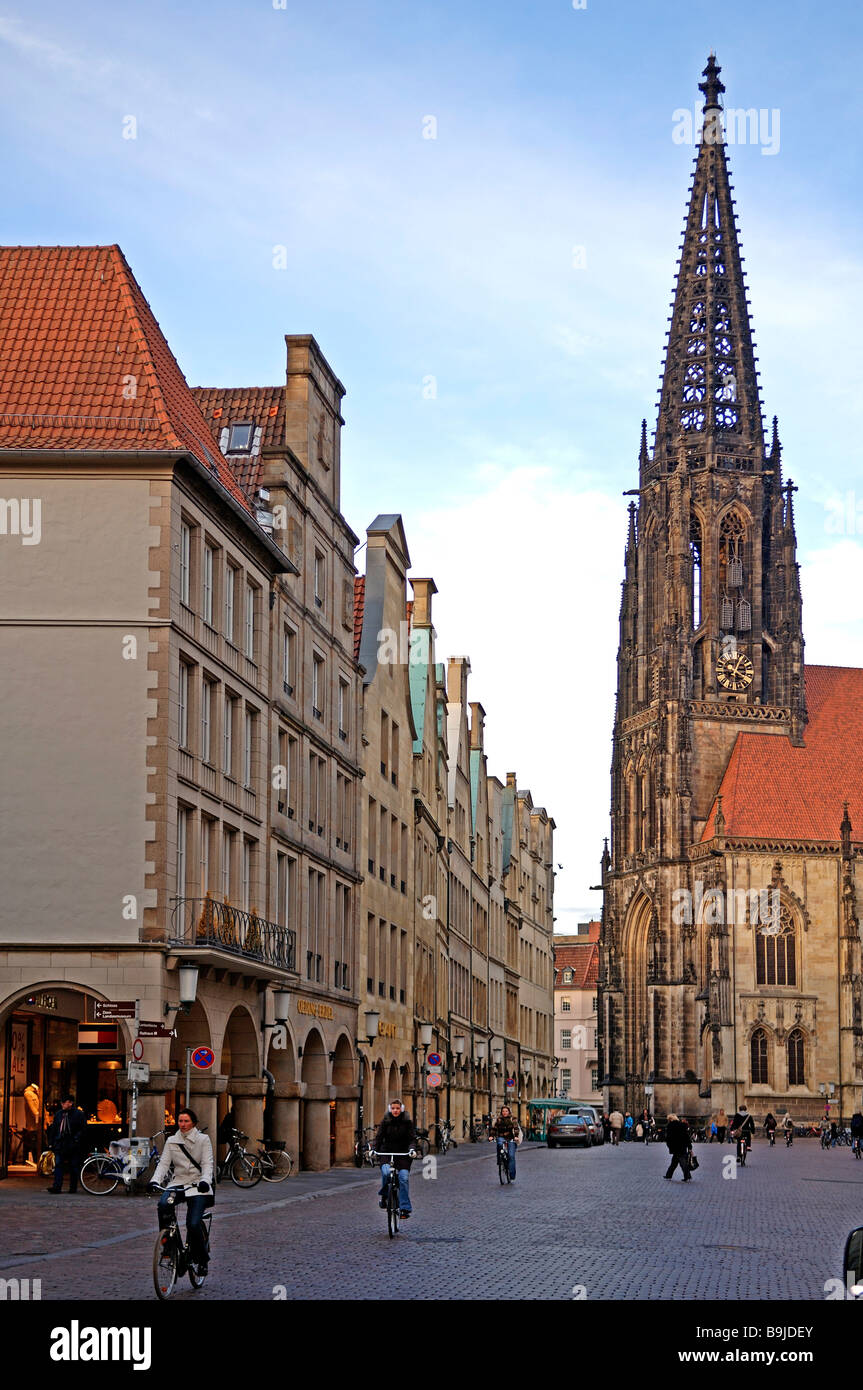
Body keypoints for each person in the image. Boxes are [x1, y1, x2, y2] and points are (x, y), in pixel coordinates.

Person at [149, 1107, 214, 1270]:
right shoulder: (171, 1140)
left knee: (192, 1224)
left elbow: (207, 1164)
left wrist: (206, 1180)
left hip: (198, 1185)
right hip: (178, 1183)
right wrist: (155, 1180)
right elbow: (164, 1164)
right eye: (180, 1121)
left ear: (193, 1123)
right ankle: (169, 1247)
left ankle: (202, 1258)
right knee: (163, 1205)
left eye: (186, 1121)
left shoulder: (203, 1139)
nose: (183, 1124)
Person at [374, 1099, 417, 1218]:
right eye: (393, 1108)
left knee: (403, 1178)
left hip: (403, 1155)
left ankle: (404, 1208)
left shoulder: (407, 1122)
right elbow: (379, 1137)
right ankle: (384, 1196)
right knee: (386, 1173)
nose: (395, 1110)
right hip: (387, 1153)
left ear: (401, 1109)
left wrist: (412, 1149)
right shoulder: (385, 1121)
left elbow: (412, 1139)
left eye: (397, 1108)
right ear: (390, 1109)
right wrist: (373, 1149)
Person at [46, 1095, 87, 1193]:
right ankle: (57, 1187)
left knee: (73, 1166)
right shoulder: (59, 1114)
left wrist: (76, 1139)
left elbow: (83, 1129)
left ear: (71, 1103)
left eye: (65, 1102)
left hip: (72, 1143)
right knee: (58, 1164)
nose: (63, 1104)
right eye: (62, 1102)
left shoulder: (79, 1114)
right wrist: (51, 1142)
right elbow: (54, 1129)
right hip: (60, 1143)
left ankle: (73, 1187)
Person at [489, 1105, 519, 1180]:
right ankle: (499, 1160)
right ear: (501, 1112)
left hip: (511, 1138)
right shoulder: (499, 1119)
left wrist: (516, 1136)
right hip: (501, 1137)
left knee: (511, 1156)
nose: (504, 1112)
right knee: (499, 1143)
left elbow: (516, 1128)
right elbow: (494, 1128)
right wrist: (491, 1136)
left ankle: (512, 1174)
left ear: (509, 1112)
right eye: (503, 1111)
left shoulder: (513, 1119)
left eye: (506, 1111)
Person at [664, 1113, 692, 1181]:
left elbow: (668, 1137)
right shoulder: (682, 1125)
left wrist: (669, 1145)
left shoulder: (670, 1126)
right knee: (674, 1162)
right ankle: (668, 1175)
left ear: (670, 1119)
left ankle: (687, 1176)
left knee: (682, 1162)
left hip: (676, 1147)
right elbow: (686, 1136)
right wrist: (689, 1146)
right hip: (682, 1146)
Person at [22, 1081, 40, 1165]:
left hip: (38, 1124)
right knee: (35, 1144)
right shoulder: (29, 1093)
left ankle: (39, 1163)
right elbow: (34, 1110)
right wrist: (39, 1120)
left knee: (38, 1144)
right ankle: (37, 1163)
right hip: (35, 1125)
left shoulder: (35, 1092)